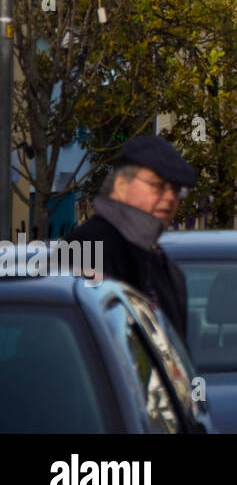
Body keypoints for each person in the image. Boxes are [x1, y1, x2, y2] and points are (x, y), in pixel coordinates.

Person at [67, 135, 195, 342]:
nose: (170, 198)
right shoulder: (89, 247)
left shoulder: (167, 269)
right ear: (121, 185)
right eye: (158, 186)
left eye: (176, 190)